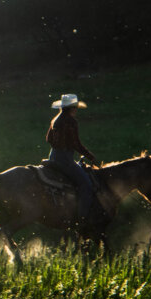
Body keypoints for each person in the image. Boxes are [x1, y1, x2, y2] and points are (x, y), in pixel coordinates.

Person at [44, 93, 104, 230]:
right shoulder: (71, 122)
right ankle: (82, 219)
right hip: (65, 160)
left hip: (53, 156)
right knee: (86, 185)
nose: (76, 110)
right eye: (75, 108)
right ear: (72, 108)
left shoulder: (55, 120)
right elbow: (76, 144)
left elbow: (48, 139)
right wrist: (91, 157)